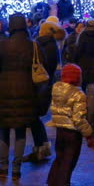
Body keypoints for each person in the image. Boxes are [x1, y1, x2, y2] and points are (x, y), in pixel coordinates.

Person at [0, 14, 41, 180]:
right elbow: (42, 65)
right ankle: (17, 168)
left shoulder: (2, 44)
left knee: (4, 129)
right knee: (20, 130)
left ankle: (3, 166)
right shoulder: (33, 45)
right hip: (26, 90)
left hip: (5, 89)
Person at [46, 63, 94, 186]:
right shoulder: (79, 94)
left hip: (60, 130)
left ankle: (52, 182)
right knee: (69, 161)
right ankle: (63, 183)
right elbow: (78, 119)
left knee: (59, 158)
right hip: (73, 133)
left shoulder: (56, 90)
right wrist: (88, 132)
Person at [29, 16, 64, 163]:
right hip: (45, 85)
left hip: (38, 86)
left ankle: (41, 150)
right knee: (35, 118)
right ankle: (42, 149)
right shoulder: (53, 45)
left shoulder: (41, 45)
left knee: (33, 118)